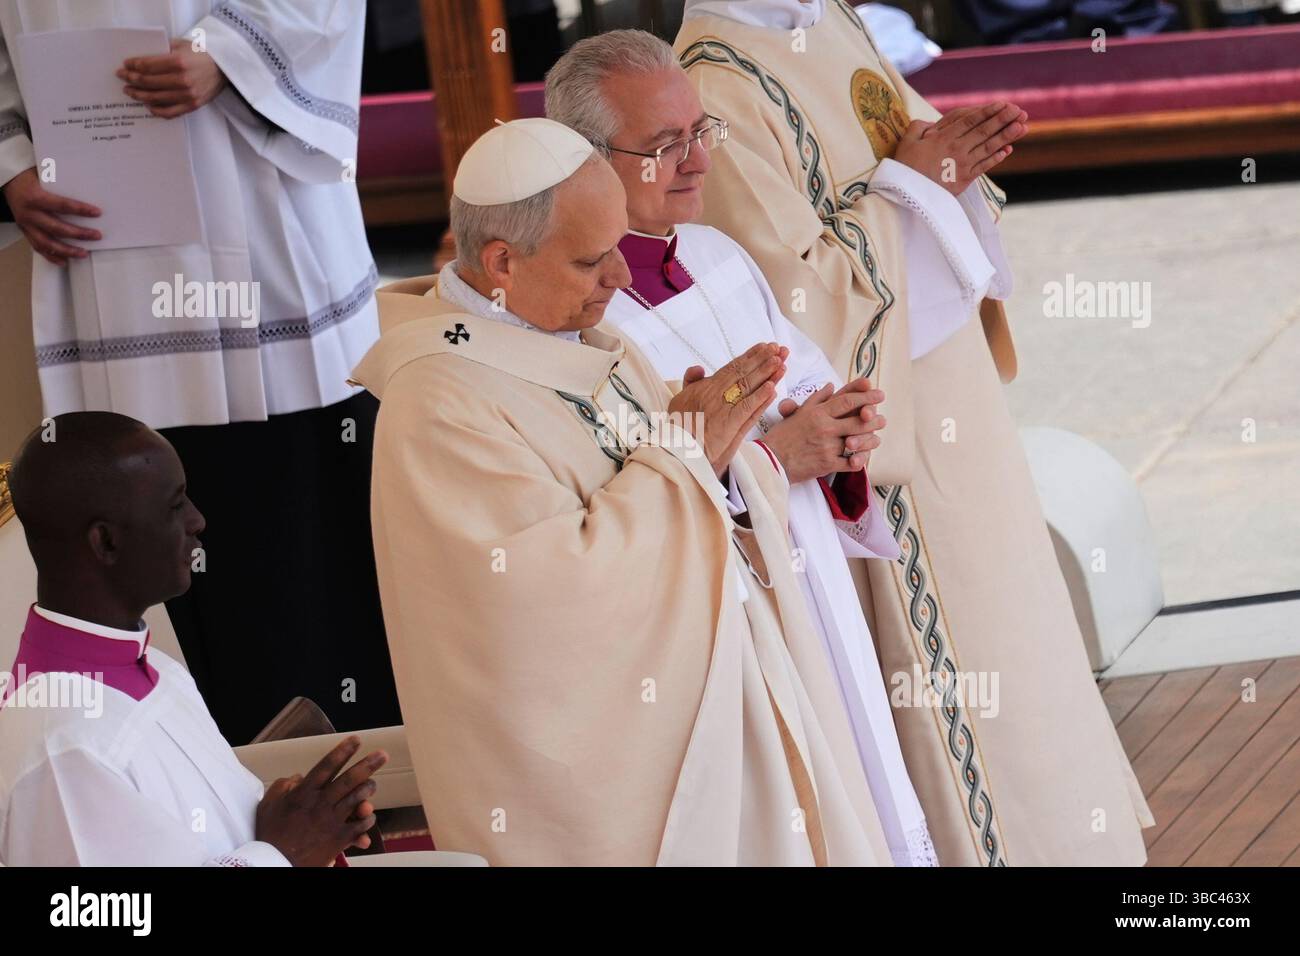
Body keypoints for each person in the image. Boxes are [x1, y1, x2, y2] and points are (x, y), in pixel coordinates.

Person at [674, 0, 1154, 864]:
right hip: (891, 418)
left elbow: (908, 141)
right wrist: (914, 186)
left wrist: (957, 158)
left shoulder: (831, 19)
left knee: (1026, 640)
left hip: (953, 383)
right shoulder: (716, 76)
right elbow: (791, 307)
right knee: (971, 676)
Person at [352, 118, 895, 866]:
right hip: (600, 789)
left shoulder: (587, 340)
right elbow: (543, 597)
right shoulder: (439, 402)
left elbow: (666, 470)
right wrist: (691, 456)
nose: (620, 277)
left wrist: (738, 449)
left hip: (709, 703)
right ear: (502, 261)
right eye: (590, 259)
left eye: (617, 247)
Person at [546, 29, 936, 867]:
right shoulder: (583, 321)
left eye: (701, 133)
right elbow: (626, 502)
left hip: (814, 591)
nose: (696, 162)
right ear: (584, 159)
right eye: (662, 146)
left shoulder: (718, 254)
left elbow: (808, 392)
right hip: (726, 623)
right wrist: (775, 459)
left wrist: (839, 432)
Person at [0, 1, 399, 744]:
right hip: (104, 254)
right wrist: (13, 167)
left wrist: (230, 56)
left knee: (312, 546)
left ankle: (351, 787)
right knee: (161, 544)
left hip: (262, 227)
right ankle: (218, 796)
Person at [0, 412, 387, 866]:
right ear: (105, 542)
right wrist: (285, 851)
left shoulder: (157, 667)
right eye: (175, 504)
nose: (198, 520)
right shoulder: (64, 750)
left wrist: (295, 817)